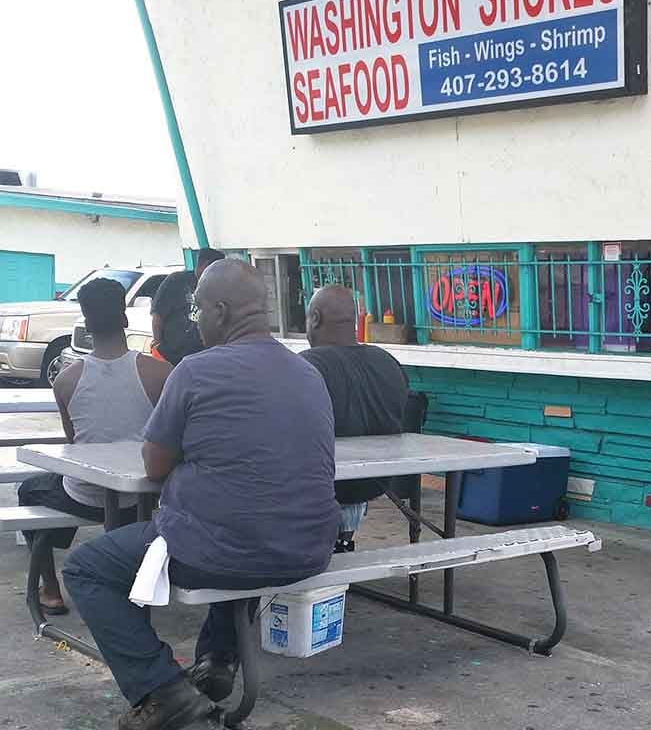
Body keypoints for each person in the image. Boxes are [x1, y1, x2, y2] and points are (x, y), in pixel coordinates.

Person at [63, 259, 339, 730]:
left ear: (221, 311)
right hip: (310, 549)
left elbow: (153, 465)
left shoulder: (195, 371)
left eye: (197, 310)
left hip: (225, 548)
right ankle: (218, 659)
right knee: (242, 526)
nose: (194, 320)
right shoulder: (308, 374)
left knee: (86, 568)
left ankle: (162, 688)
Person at [18, 278, 172, 615]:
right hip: (144, 496)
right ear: (126, 319)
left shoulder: (66, 381)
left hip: (85, 495)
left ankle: (50, 589)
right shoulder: (160, 373)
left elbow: (76, 446)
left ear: (86, 325)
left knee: (31, 490)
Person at [300, 285, 409, 547]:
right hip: (377, 482)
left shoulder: (305, 367)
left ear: (315, 318)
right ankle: (343, 539)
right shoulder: (388, 361)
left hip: (328, 485)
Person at [150, 247, 225, 365]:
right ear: (204, 265)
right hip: (169, 356)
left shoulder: (218, 287)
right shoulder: (176, 280)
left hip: (202, 359)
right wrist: (157, 343)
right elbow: (157, 314)